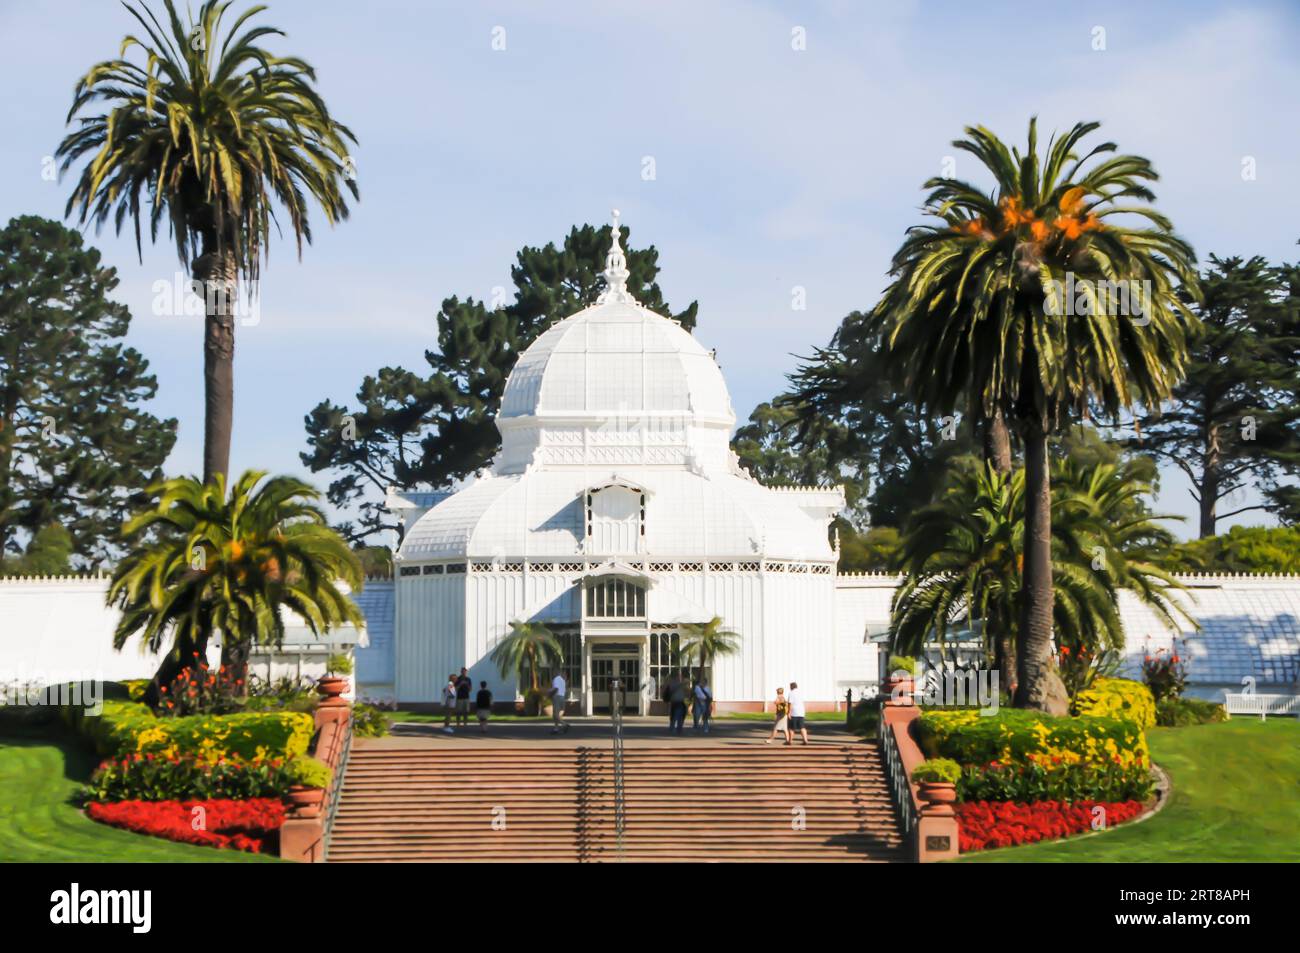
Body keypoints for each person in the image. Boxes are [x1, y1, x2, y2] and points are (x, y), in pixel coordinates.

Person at [787, 681, 810, 745]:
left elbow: (790, 703)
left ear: (791, 686)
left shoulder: (791, 693)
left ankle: (790, 741)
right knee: (802, 727)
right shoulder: (801, 693)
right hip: (801, 712)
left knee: (791, 728)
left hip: (794, 712)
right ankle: (805, 740)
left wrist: (789, 712)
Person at [550, 669, 569, 734]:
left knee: (555, 715)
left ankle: (564, 724)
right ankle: (556, 728)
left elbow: (556, 688)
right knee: (556, 714)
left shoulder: (556, 679)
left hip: (557, 697)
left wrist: (549, 692)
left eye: (553, 672)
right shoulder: (563, 680)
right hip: (562, 697)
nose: (552, 673)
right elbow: (564, 690)